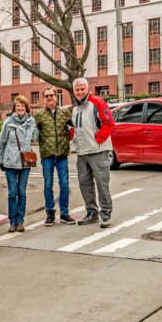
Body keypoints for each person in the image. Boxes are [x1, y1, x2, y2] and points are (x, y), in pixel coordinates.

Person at [70, 77, 116, 227]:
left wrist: (98, 140)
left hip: (98, 151)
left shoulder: (97, 102)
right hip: (82, 152)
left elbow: (109, 123)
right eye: (77, 90)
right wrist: (74, 139)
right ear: (74, 91)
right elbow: (77, 129)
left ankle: (106, 214)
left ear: (88, 89)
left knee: (102, 183)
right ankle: (92, 213)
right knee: (85, 184)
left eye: (82, 89)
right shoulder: (75, 109)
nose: (80, 92)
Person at [34, 86, 76, 226]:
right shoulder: (39, 115)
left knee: (64, 185)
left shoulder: (65, 112)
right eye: (47, 96)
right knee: (48, 185)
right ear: (44, 99)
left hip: (62, 154)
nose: (50, 98)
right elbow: (34, 133)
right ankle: (50, 213)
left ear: (56, 97)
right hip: (47, 155)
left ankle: (64, 213)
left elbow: (75, 126)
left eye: (52, 95)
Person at [0, 95, 39, 233]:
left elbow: (36, 138)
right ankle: (12, 221)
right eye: (18, 106)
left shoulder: (31, 122)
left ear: (26, 108)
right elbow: (1, 143)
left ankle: (20, 221)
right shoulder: (8, 122)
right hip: (10, 162)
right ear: (15, 108)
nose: (20, 108)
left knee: (22, 192)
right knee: (12, 193)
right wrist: (1, 161)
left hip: (26, 162)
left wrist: (37, 127)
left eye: (22, 106)